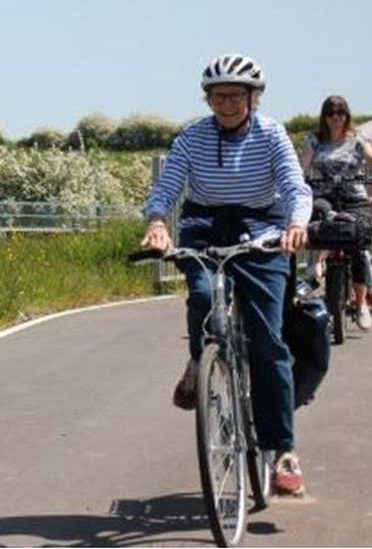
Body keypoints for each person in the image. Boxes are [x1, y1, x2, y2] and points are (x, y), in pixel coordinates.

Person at [141, 54, 312, 495]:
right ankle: (201, 358)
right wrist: (158, 221)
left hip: (262, 232)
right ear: (208, 99)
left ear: (253, 98)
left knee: (268, 339)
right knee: (200, 290)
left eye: (237, 95)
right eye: (219, 96)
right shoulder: (193, 138)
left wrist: (296, 224)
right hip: (204, 227)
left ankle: (283, 449)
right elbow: (168, 185)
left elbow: (295, 184)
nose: (228, 103)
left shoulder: (272, 134)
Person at [299, 95, 372, 329]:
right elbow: (303, 166)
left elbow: (370, 159)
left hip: (354, 196)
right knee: (319, 216)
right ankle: (316, 266)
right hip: (325, 195)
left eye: (340, 113)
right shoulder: (315, 140)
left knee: (359, 246)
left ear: (346, 115)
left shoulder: (357, 139)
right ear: (324, 116)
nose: (336, 118)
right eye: (331, 113)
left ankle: (361, 304)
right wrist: (298, 186)